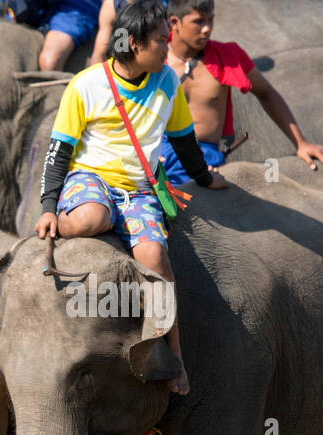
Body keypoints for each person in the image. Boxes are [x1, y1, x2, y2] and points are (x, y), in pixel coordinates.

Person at [35, 0, 228, 396]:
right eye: (160, 40)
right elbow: (58, 153)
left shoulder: (167, 83)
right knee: (90, 219)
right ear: (134, 44)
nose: (168, 46)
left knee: (156, 259)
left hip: (138, 190)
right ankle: (57, 229)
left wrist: (204, 177)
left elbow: (183, 140)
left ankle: (174, 356)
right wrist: (49, 207)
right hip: (90, 178)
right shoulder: (86, 84)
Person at [159, 0, 323, 180]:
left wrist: (301, 143)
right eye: (199, 21)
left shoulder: (228, 55)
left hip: (205, 156)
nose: (207, 28)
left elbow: (266, 93)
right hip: (159, 153)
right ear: (174, 22)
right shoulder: (151, 58)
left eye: (210, 20)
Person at [90, 0, 166, 65]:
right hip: (122, 66)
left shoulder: (157, 7)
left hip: (151, 67)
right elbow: (100, 53)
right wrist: (95, 80)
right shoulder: (112, 5)